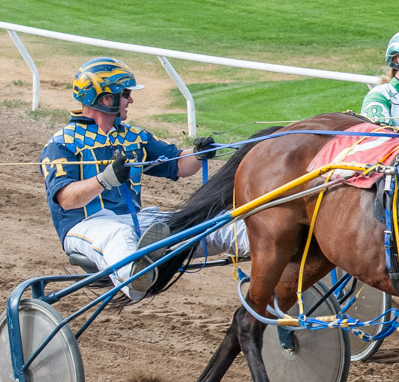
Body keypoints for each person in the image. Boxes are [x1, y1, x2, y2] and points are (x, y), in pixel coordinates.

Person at [40, 57, 246, 300]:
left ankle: (263, 242)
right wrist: (104, 180)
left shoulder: (134, 137)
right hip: (85, 227)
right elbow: (66, 199)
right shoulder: (60, 144)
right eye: (125, 94)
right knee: (119, 235)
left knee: (205, 219)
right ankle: (135, 280)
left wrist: (200, 153)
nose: (131, 100)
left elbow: (179, 165)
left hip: (136, 220)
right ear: (107, 99)